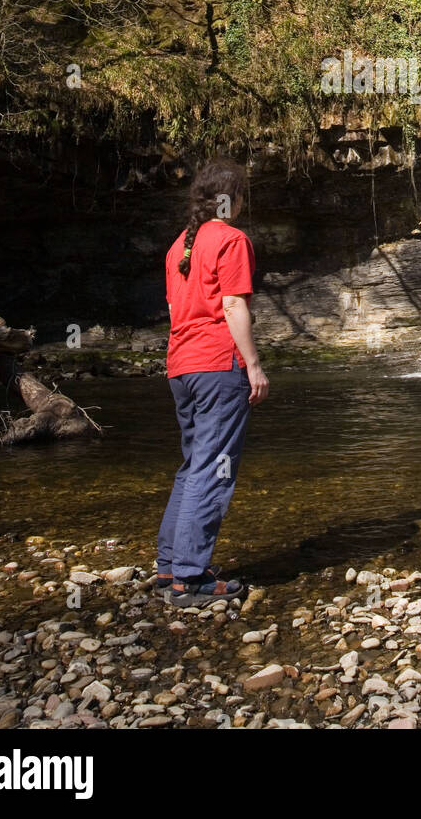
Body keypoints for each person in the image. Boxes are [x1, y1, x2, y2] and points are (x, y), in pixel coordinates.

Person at [156, 157, 269, 604]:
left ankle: (170, 567)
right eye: (242, 195)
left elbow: (172, 312)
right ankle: (189, 576)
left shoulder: (177, 247)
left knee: (193, 465)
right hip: (218, 366)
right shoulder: (232, 239)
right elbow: (233, 307)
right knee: (215, 467)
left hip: (180, 368)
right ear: (231, 199)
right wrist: (254, 365)